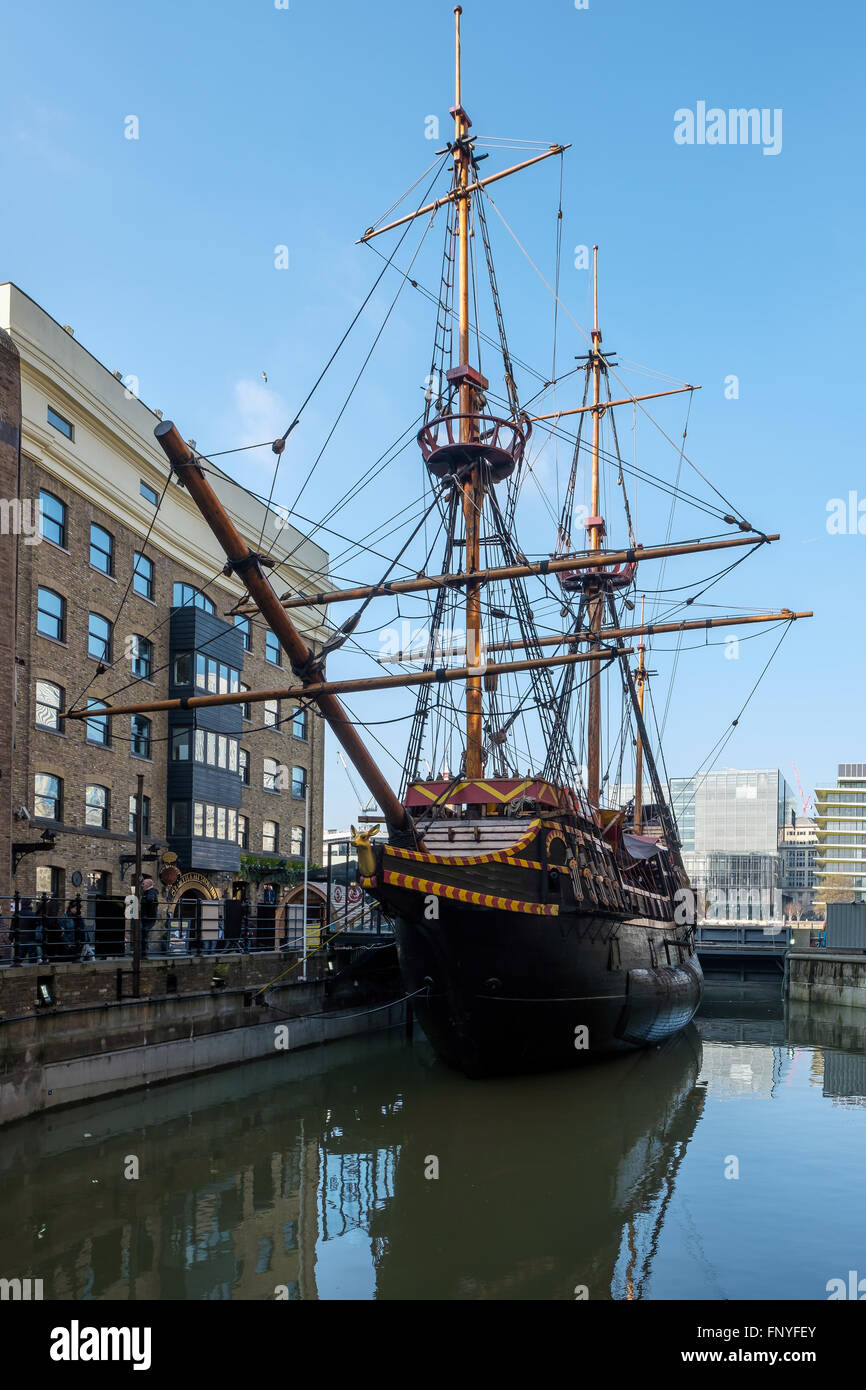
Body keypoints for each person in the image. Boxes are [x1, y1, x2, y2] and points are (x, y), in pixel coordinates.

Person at [140, 876, 160, 956]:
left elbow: (150, 899)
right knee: (144, 932)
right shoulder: (147, 892)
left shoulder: (151, 891)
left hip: (149, 917)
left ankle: (145, 951)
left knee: (145, 931)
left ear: (148, 884)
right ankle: (143, 951)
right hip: (146, 916)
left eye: (143, 884)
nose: (142, 885)